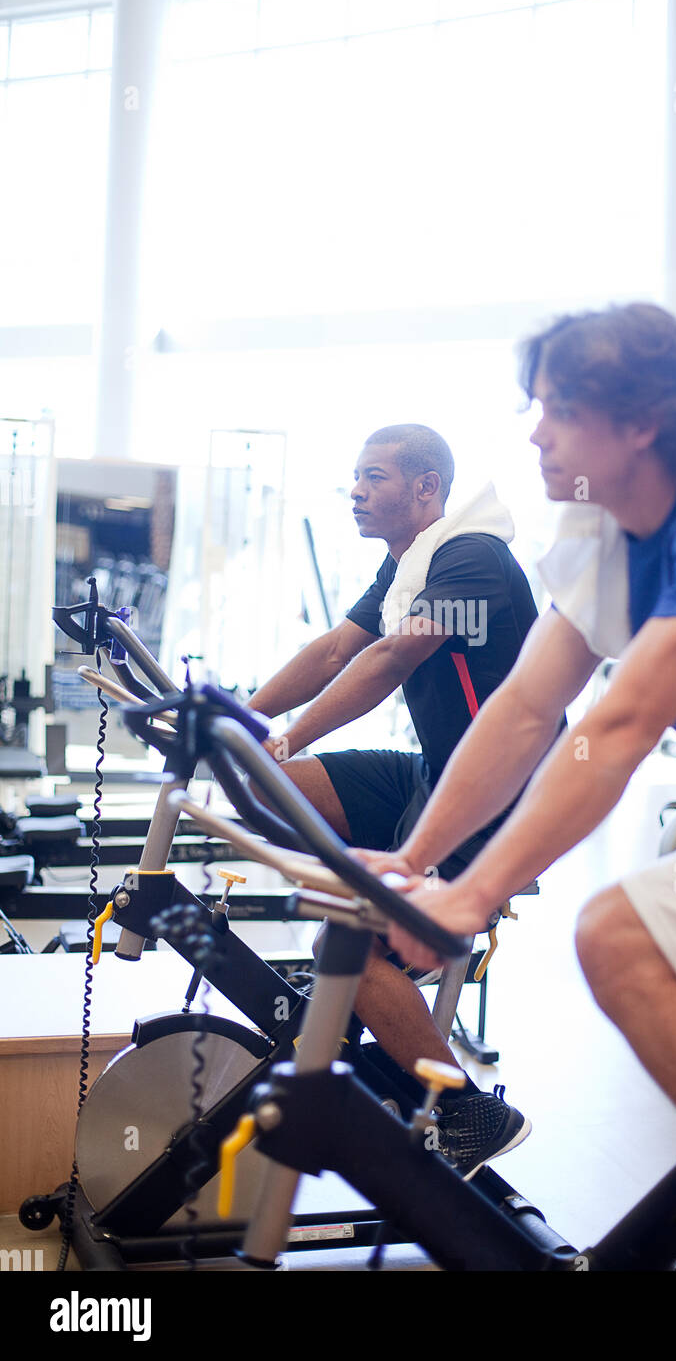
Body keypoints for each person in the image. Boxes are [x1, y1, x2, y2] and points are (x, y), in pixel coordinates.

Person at [375, 304, 676, 1270]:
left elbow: (620, 727)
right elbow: (523, 710)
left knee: (618, 933)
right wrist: (413, 862)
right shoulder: (610, 528)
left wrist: (471, 896)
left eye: (558, 409)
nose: (535, 432)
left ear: (641, 422)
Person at [249, 423, 542, 1177]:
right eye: (355, 476)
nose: (355, 490)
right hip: (431, 773)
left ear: (426, 488)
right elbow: (335, 649)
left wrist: (287, 736)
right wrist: (242, 719)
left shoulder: (473, 556)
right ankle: (371, 961)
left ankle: (465, 1108)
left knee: (347, 949)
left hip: (492, 797)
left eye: (372, 476)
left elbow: (390, 655)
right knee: (272, 784)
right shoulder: (406, 566)